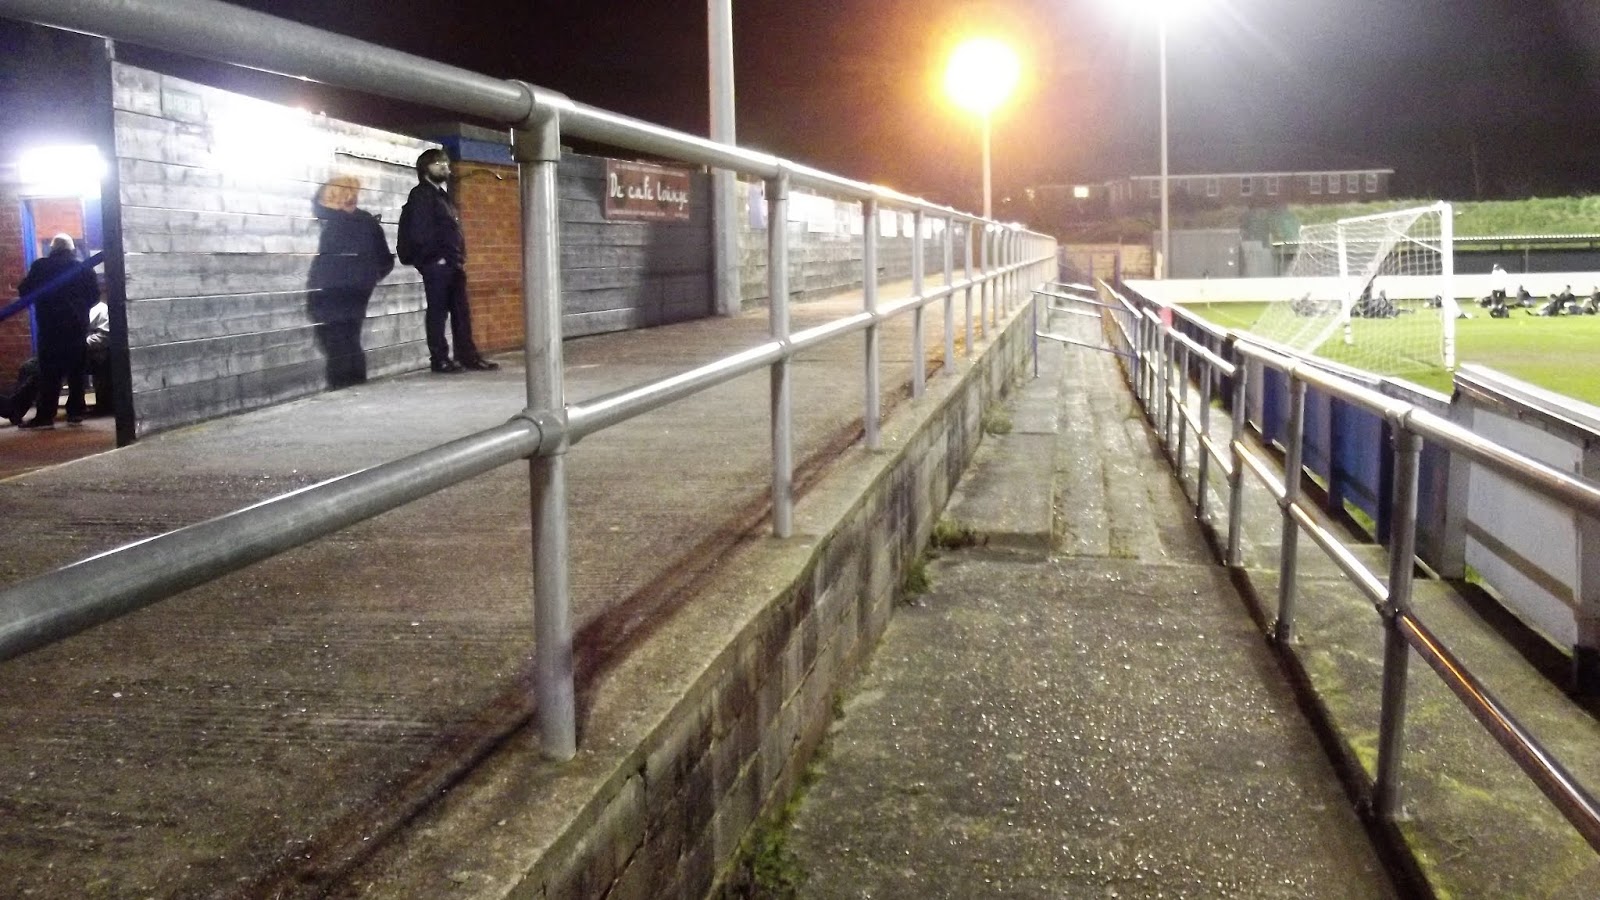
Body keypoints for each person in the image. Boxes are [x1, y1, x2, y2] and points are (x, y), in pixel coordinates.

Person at [397, 148, 498, 374]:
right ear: (425, 168)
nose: (445, 167)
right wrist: (435, 258)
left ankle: (468, 356)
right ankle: (440, 359)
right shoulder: (421, 195)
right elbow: (420, 232)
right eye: (438, 164)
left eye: (446, 163)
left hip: (453, 262)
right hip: (437, 265)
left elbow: (451, 230)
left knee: (461, 312)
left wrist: (459, 257)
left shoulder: (442, 196)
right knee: (438, 312)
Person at [307, 175, 394, 388]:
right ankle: (355, 384)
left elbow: (318, 209)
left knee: (336, 342)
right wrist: (369, 278)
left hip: (331, 291)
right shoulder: (367, 221)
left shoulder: (335, 221)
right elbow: (385, 259)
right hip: (357, 291)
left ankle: (342, 386)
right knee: (350, 338)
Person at [15, 234, 95, 429]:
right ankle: (75, 412)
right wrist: (79, 308)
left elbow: (24, 291)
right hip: (77, 326)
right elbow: (93, 296)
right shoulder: (83, 268)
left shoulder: (41, 266)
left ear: (52, 249)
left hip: (50, 326)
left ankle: (46, 416)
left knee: (50, 373)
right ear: (71, 249)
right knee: (76, 372)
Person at [85, 298, 112, 414]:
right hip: (79, 351)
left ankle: (104, 405)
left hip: (96, 353)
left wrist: (80, 343)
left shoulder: (102, 310)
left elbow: (104, 338)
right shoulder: (75, 309)